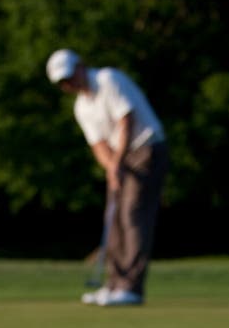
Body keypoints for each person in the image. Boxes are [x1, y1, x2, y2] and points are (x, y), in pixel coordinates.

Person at [46, 49, 168, 306]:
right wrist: (111, 168)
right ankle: (114, 285)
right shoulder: (82, 106)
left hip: (146, 148)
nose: (69, 84)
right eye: (62, 83)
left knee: (132, 214)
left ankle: (131, 288)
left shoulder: (108, 79)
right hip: (120, 157)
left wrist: (116, 162)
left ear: (81, 66)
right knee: (113, 216)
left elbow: (127, 120)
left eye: (70, 76)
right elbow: (98, 144)